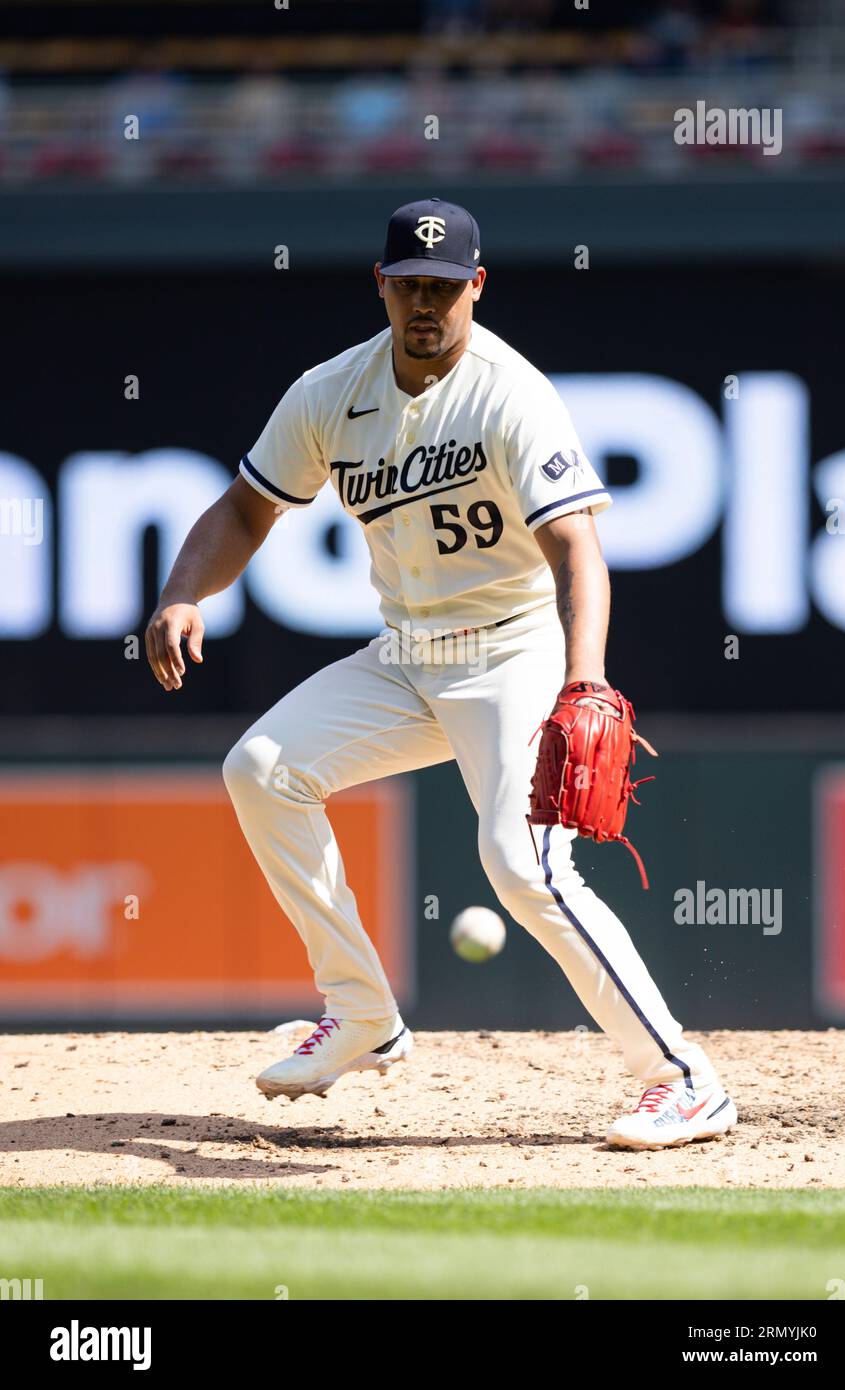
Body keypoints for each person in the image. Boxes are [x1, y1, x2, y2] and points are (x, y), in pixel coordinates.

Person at [145, 197, 737, 1150]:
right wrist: (183, 593)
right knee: (260, 768)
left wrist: (582, 679)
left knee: (521, 865)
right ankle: (364, 1015)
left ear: (476, 287)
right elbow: (244, 511)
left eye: (446, 287)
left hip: (511, 650)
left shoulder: (510, 392)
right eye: (411, 285)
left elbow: (578, 550)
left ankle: (680, 1078)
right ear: (381, 286)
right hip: (408, 653)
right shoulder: (330, 393)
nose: (428, 303)